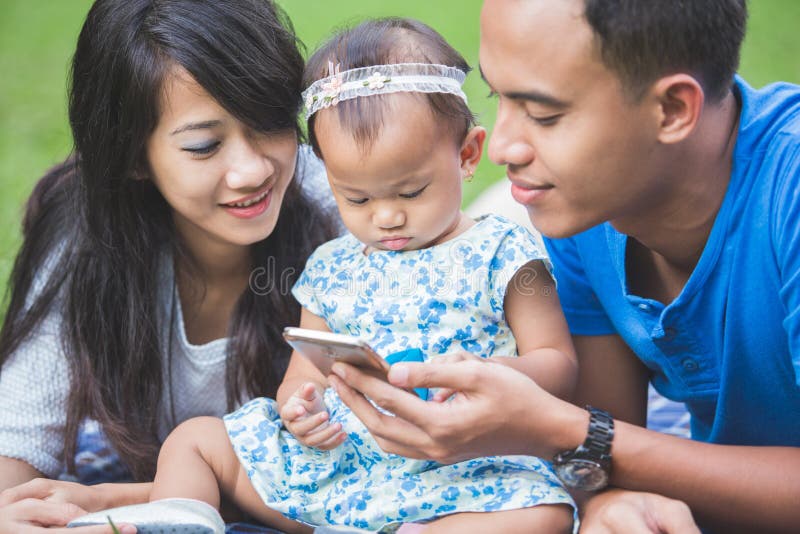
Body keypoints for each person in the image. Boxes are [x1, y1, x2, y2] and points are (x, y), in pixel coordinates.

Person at [69, 17, 580, 534]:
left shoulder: (502, 251)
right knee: (194, 441)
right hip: (346, 470)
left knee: (546, 514)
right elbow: (305, 372)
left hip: (467, 467)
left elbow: (557, 363)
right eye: (355, 197)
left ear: (466, 155)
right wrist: (300, 410)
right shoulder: (333, 266)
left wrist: (494, 375)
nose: (385, 217)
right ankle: (181, 522)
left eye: (410, 192)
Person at [327, 0, 800, 532]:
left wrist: (561, 429)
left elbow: (593, 433)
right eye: (496, 96)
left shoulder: (789, 195)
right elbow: (611, 443)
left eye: (544, 114)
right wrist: (603, 500)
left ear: (671, 109)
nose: (501, 145)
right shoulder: (589, 210)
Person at [0, 0, 338, 531]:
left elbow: (385, 471)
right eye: (205, 146)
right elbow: (14, 448)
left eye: (270, 121)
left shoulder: (344, 205)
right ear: (133, 155)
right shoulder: (85, 242)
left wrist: (126, 498)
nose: (251, 170)